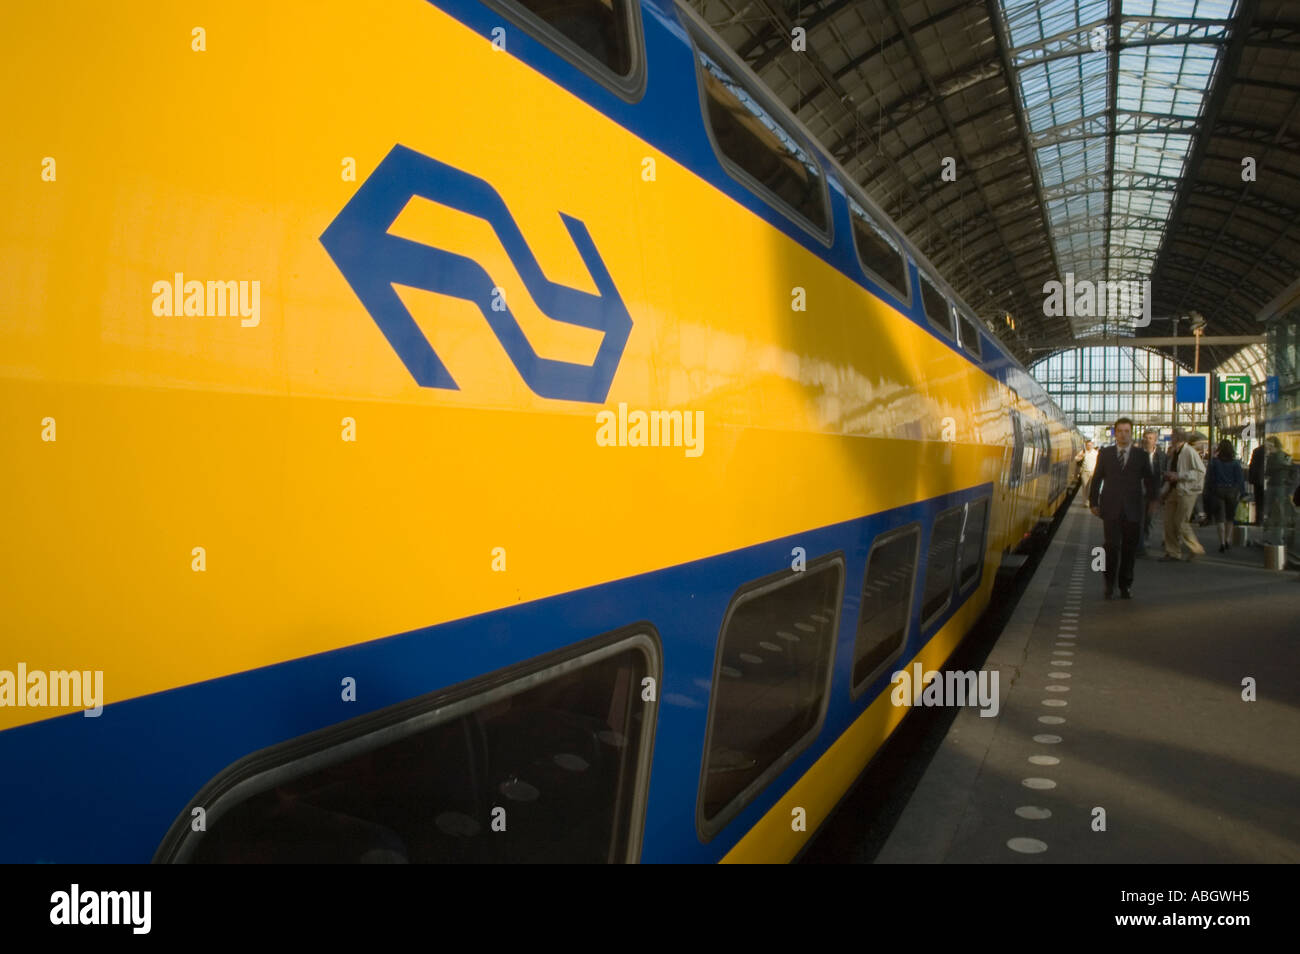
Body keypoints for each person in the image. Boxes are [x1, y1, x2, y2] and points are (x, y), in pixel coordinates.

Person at [1089, 417, 1159, 599]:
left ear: (1131, 433)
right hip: (1110, 508)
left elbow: (1150, 480)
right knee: (1110, 547)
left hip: (1134, 510)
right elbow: (1096, 479)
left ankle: (1125, 584)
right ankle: (1108, 583)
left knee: (1129, 549)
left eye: (1127, 431)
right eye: (1119, 431)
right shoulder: (1105, 453)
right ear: (1115, 433)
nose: (1123, 435)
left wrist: (1153, 501)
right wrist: (1093, 502)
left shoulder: (1141, 456)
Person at [1160, 427, 1207, 562]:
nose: (1170, 438)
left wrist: (1179, 476)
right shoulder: (1174, 452)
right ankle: (1172, 551)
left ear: (1178, 438)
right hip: (1174, 489)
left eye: (1172, 436)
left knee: (1181, 522)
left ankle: (1196, 548)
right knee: (1168, 521)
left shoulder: (1189, 452)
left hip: (1187, 491)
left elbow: (1200, 471)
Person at [1206, 440, 1245, 552]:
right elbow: (1240, 480)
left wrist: (1210, 491)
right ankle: (1228, 540)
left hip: (1218, 490)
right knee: (1230, 517)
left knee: (1220, 518)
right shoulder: (1236, 463)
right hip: (1232, 491)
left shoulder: (1215, 462)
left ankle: (1222, 542)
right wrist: (1242, 493)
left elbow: (1210, 479)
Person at [1137, 429, 1166, 556]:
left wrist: (1160, 494)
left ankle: (1145, 540)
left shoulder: (1161, 456)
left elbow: (1163, 474)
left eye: (1150, 438)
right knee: (1138, 519)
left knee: (1149, 519)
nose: (1147, 440)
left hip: (1153, 493)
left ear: (1155, 440)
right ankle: (1140, 545)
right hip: (1138, 492)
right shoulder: (1136, 454)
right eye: (1145, 437)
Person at [1248, 437, 1267, 526]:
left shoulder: (1257, 451)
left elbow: (1252, 466)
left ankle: (1259, 520)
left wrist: (1251, 479)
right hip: (1269, 480)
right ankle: (1267, 520)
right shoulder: (1273, 452)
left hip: (1258, 481)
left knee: (1259, 501)